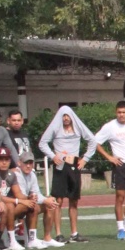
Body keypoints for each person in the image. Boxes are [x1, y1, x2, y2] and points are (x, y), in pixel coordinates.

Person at [83, 101, 125, 239]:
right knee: (120, 197)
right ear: (115, 112)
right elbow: (95, 142)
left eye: (124, 112)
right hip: (120, 165)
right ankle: (120, 229)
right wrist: (109, 157)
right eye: (119, 112)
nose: (121, 115)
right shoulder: (110, 127)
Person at [39, 103, 94, 242]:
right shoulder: (55, 128)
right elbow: (42, 143)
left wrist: (85, 159)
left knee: (74, 200)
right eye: (63, 116)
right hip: (61, 166)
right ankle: (58, 234)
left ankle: (74, 233)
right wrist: (53, 156)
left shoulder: (78, 128)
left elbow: (92, 141)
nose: (65, 118)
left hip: (74, 165)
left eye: (68, 116)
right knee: (58, 200)